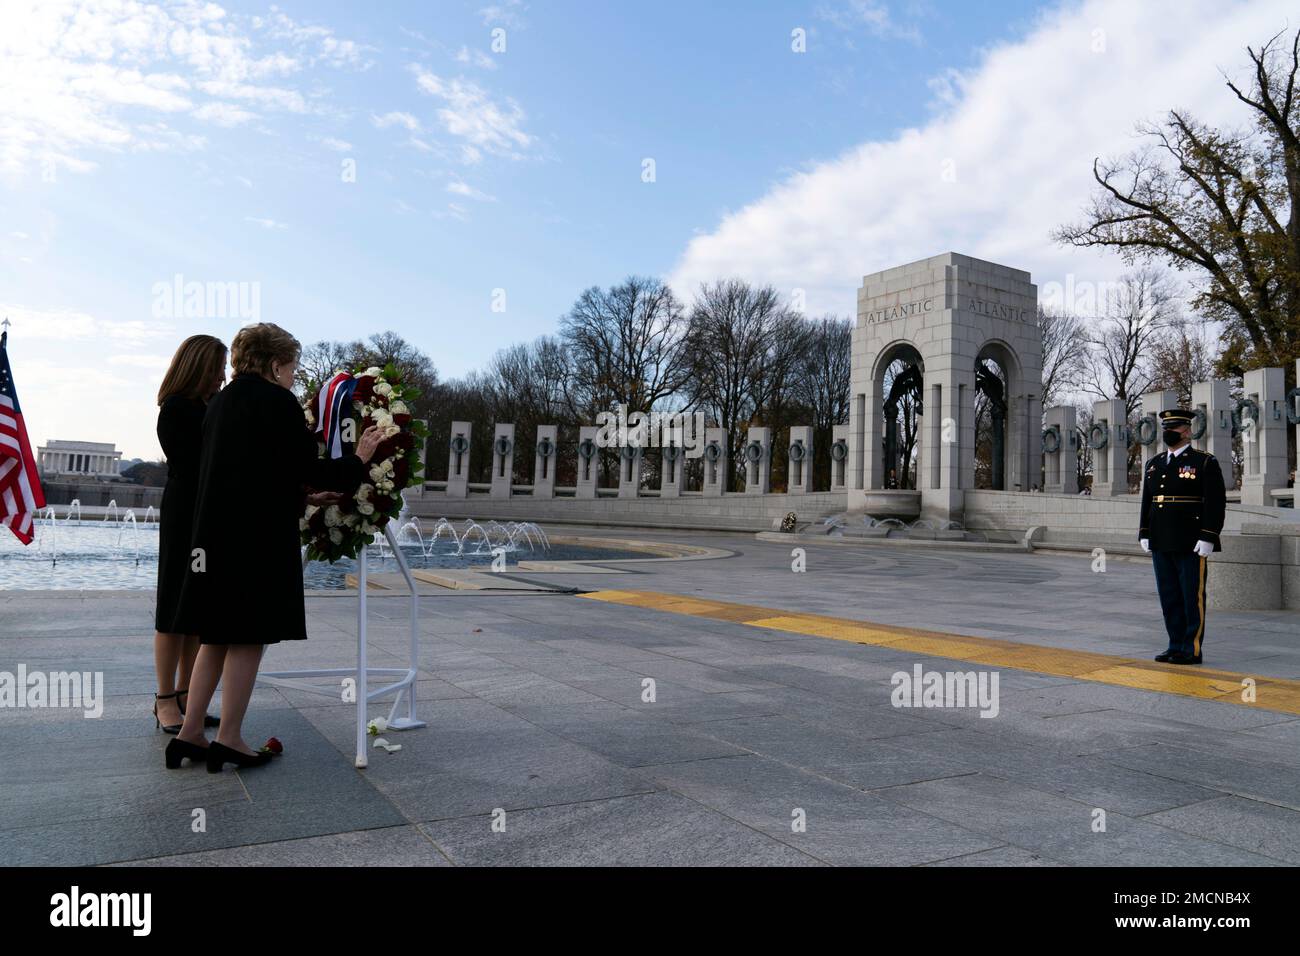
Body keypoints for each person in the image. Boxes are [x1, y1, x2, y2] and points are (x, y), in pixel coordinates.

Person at [165, 323, 382, 772]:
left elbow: (248, 472)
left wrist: (303, 496)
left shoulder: (219, 403)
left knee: (215, 634)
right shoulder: (277, 402)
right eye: (292, 368)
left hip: (212, 537)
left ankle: (189, 735)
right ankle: (229, 738)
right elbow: (305, 465)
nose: (293, 377)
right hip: (256, 538)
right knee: (248, 637)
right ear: (275, 364)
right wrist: (358, 459)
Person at [152, 335, 227, 735]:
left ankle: (186, 694)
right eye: (218, 367)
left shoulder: (208, 407)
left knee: (196, 611)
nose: (222, 375)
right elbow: (195, 465)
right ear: (199, 366)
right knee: (172, 611)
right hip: (185, 515)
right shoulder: (176, 409)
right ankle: (165, 699)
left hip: (206, 515)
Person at [1138, 409, 1226, 665]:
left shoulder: (1204, 461)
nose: (1167, 432)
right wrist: (1144, 531)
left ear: (1186, 431)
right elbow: (1147, 501)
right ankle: (1175, 644)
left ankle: (1192, 648)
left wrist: (1209, 535)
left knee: (1191, 596)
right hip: (1161, 538)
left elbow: (1215, 503)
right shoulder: (1154, 463)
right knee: (1169, 596)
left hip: (1190, 539)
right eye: (1165, 428)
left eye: (1173, 428)